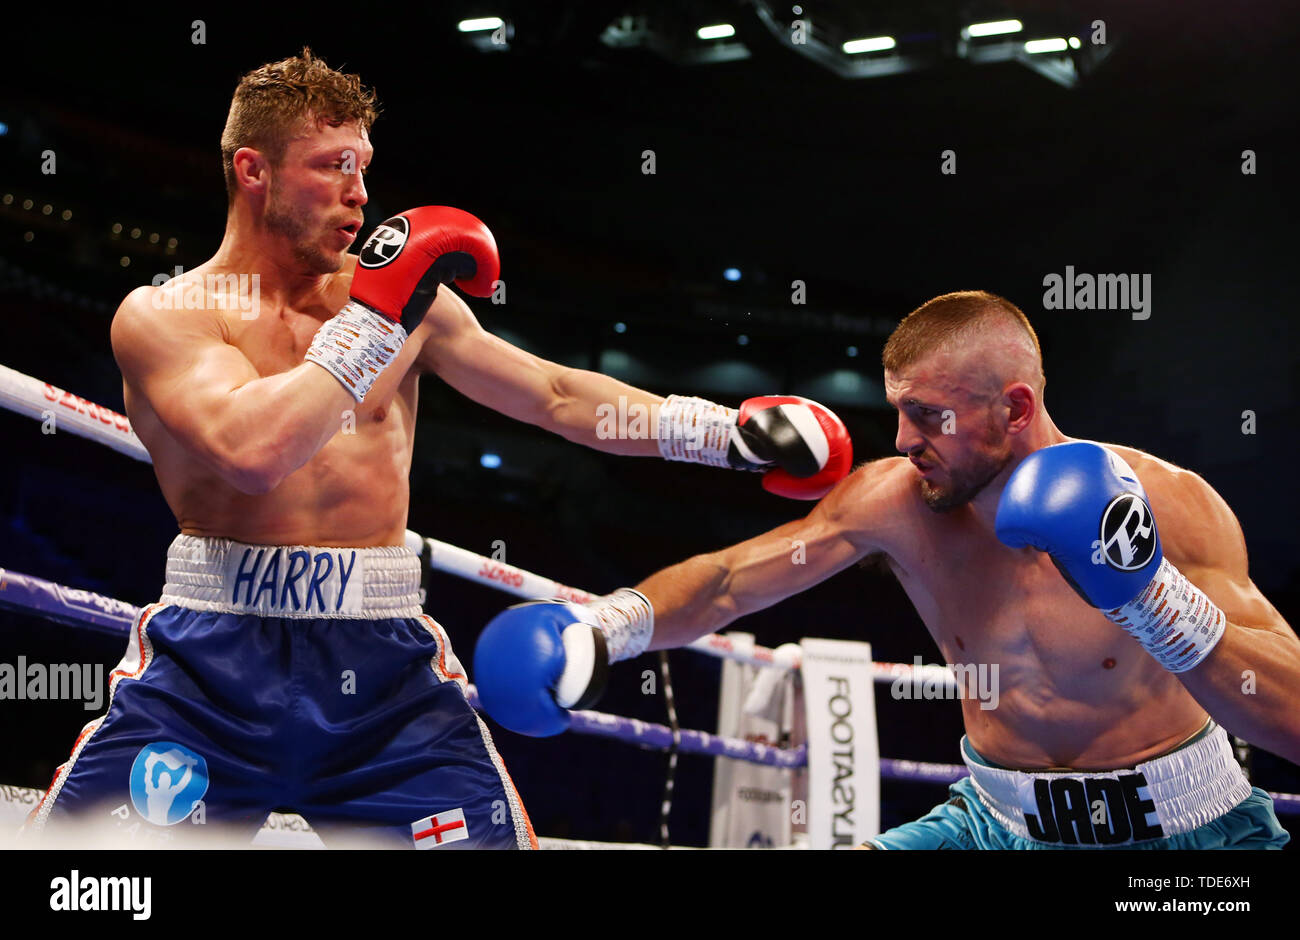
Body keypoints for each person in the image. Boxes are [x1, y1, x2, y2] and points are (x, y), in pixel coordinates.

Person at [26, 48, 850, 849]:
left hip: (384, 674)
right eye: (333, 166)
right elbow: (253, 450)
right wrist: (376, 323)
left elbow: (556, 396)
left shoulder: (402, 300)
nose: (361, 196)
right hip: (210, 669)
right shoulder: (166, 315)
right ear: (254, 170)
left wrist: (726, 436)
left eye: (364, 167)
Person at [475, 289, 1299, 849]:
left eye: (928, 416)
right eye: (898, 411)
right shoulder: (896, 501)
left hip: (1189, 832)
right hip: (993, 826)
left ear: (1013, 408)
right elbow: (731, 580)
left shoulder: (1167, 503)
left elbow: (1289, 716)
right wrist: (605, 629)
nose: (905, 441)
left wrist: (1151, 596)